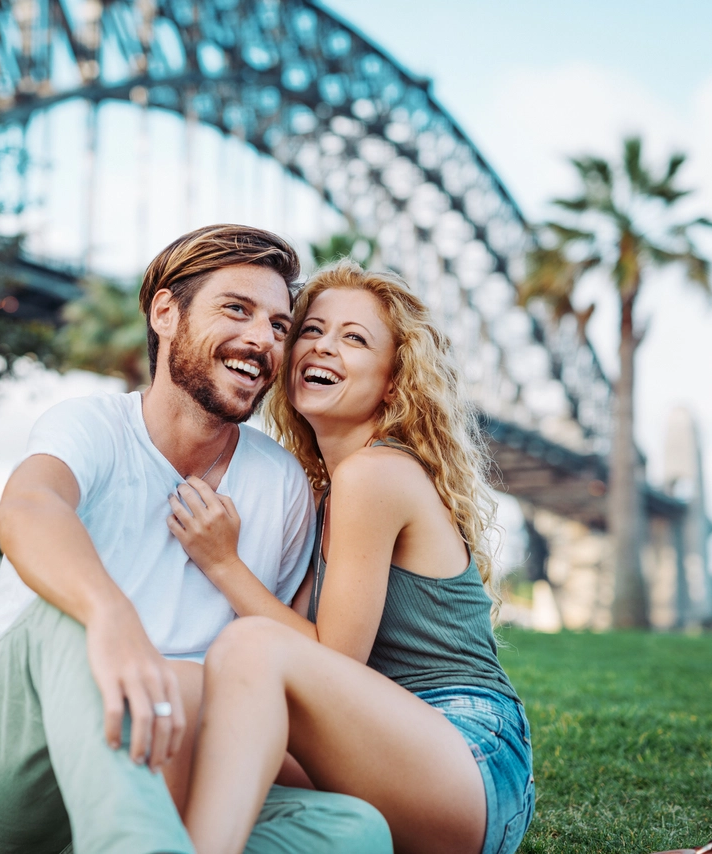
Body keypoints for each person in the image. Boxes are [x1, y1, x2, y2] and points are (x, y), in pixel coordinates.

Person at [0, 226, 392, 854]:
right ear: (165, 313)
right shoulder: (91, 425)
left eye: (280, 326)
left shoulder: (282, 485)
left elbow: (290, 670)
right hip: (12, 765)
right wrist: (110, 617)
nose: (262, 339)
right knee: (65, 618)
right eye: (237, 309)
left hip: (170, 761)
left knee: (355, 832)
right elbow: (26, 508)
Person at [167, 260, 535, 854]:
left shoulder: (374, 474)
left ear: (393, 382)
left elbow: (330, 657)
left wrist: (222, 563)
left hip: (470, 755)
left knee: (249, 645)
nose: (322, 346)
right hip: (388, 748)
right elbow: (298, 654)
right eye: (311, 330)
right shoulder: (324, 491)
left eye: (354, 338)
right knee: (178, 693)